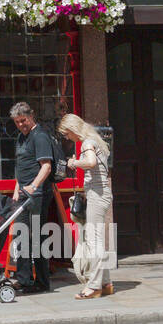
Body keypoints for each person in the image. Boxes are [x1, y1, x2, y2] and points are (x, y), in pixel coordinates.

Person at [58, 114, 115, 299]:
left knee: (94, 241)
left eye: (67, 133)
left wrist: (74, 162)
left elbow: (90, 162)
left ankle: (94, 286)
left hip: (98, 196)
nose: (67, 137)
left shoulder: (87, 142)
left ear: (73, 129)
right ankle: (105, 283)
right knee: (97, 240)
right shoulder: (94, 139)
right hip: (99, 193)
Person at [9, 101, 56, 293]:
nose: (21, 124)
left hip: (37, 195)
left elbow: (46, 166)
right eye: (17, 122)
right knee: (22, 236)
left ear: (31, 116)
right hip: (23, 195)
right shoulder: (21, 137)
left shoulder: (40, 136)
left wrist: (33, 186)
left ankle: (42, 282)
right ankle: (24, 279)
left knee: (37, 237)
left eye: (23, 120)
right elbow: (22, 167)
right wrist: (16, 188)